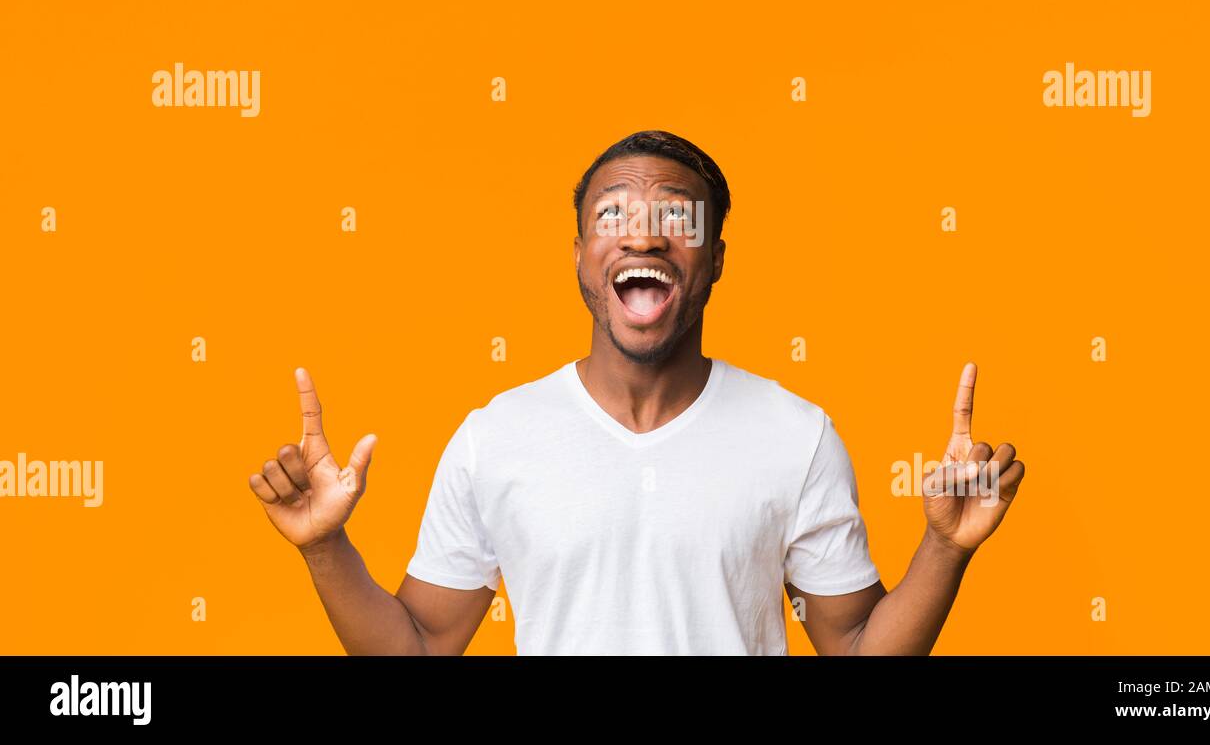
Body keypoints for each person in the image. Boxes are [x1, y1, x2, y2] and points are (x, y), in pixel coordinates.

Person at [248, 130, 1026, 654]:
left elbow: (855, 644)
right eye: (613, 213)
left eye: (676, 218)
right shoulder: (498, 438)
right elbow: (417, 642)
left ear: (715, 259)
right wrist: (324, 545)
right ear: (582, 255)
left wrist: (944, 548)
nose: (644, 235)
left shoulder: (797, 436)